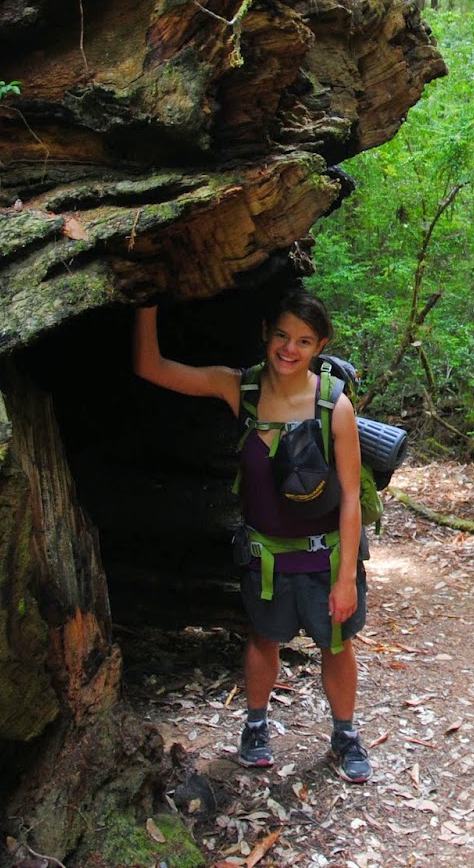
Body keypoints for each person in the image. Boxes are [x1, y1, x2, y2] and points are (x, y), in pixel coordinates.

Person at [132, 290, 371, 783]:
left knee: (336, 644)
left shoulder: (334, 406)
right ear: (266, 332)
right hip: (266, 556)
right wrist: (148, 299)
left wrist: (347, 576)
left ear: (320, 345)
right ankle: (256, 727)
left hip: (326, 555)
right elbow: (150, 367)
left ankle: (345, 734)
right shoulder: (239, 388)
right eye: (282, 335)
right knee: (264, 639)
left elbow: (351, 496)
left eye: (303, 340)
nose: (289, 348)